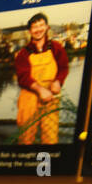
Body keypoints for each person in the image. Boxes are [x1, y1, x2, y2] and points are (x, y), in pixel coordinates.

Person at [15, 12, 68, 145]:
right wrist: (40, 90)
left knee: (50, 137)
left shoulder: (56, 47)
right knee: (26, 137)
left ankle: (49, 163)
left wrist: (58, 82)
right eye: (34, 27)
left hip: (51, 96)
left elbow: (63, 68)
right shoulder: (23, 53)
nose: (38, 30)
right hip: (29, 97)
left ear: (47, 27)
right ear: (30, 30)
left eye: (41, 25)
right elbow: (23, 77)